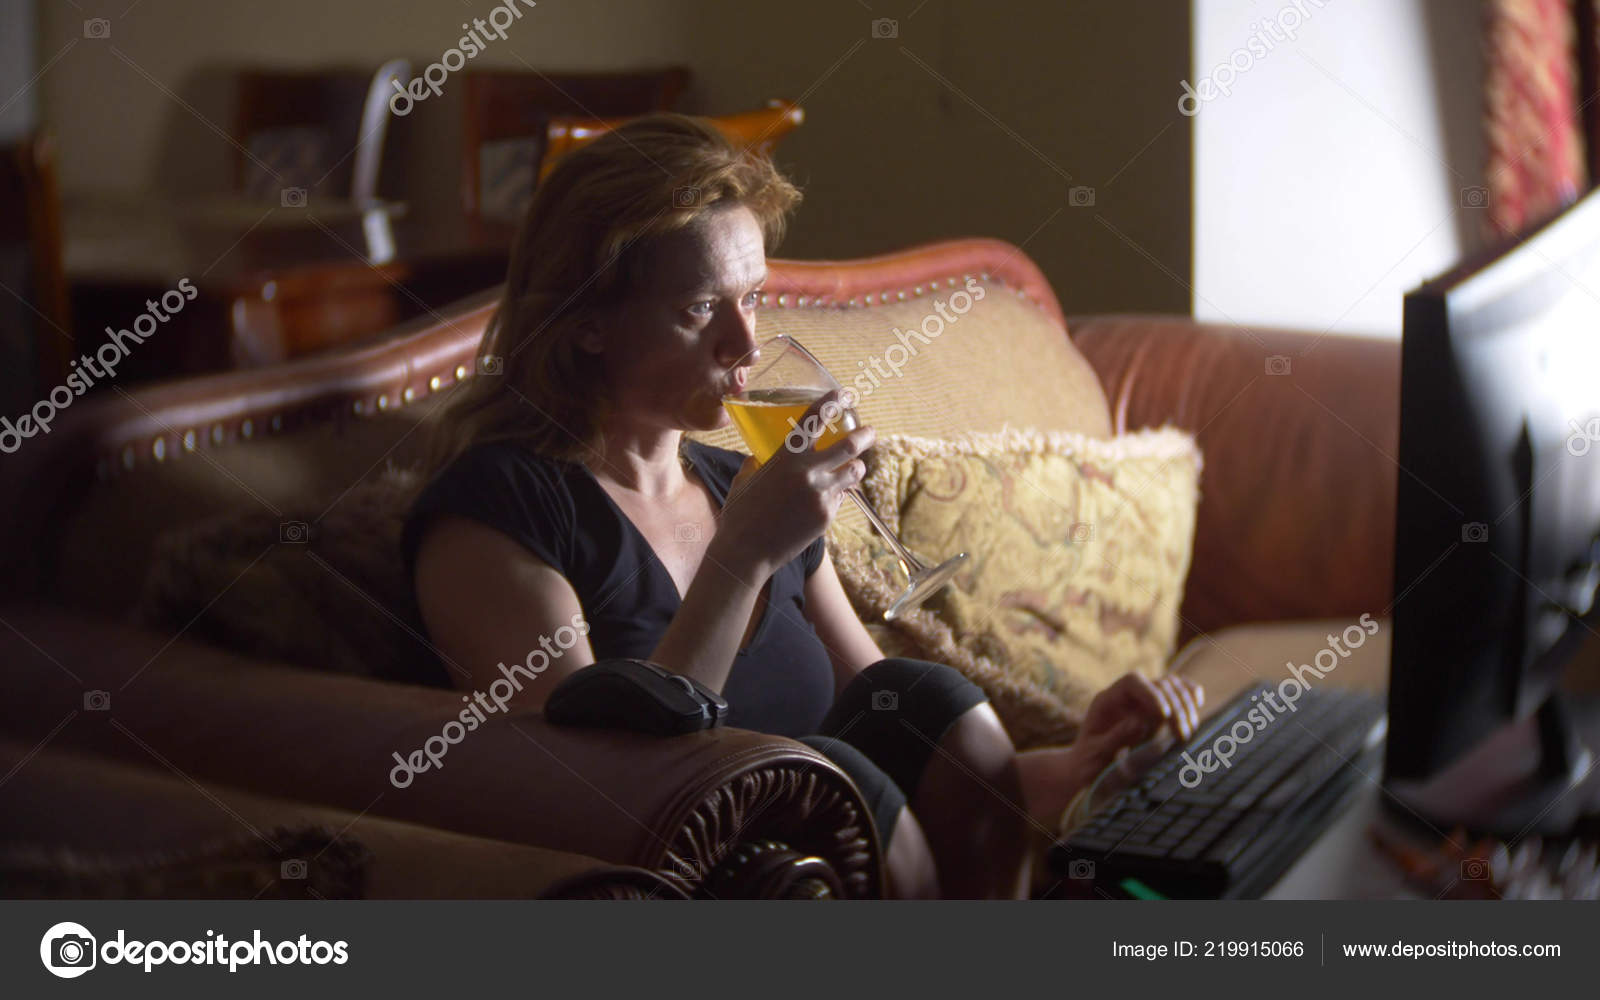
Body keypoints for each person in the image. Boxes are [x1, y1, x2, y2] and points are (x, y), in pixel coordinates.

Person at [401, 113, 1205, 898]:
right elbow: (582, 792)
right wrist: (741, 557)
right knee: (839, 767)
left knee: (928, 699)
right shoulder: (499, 512)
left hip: (864, 857)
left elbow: (916, 750)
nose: (746, 347)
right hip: (719, 878)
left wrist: (1082, 765)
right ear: (586, 326)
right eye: (698, 310)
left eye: (751, 298)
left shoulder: (741, 487)